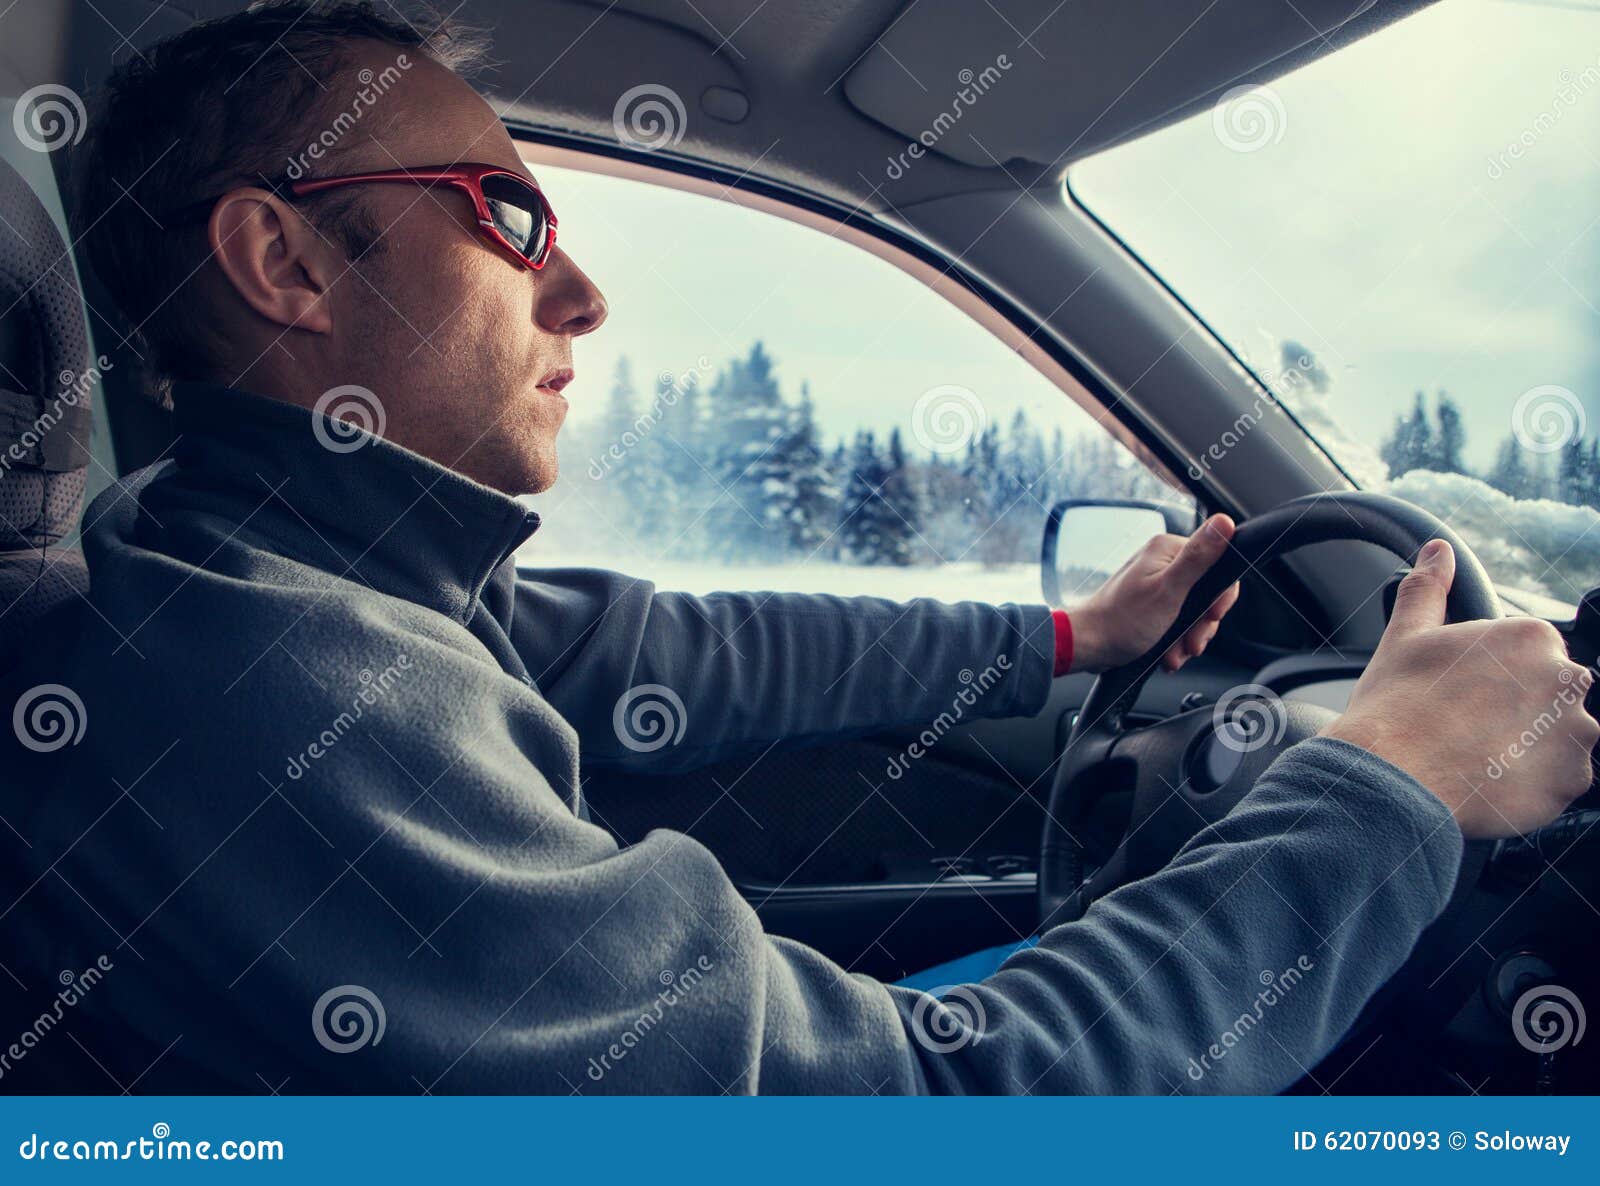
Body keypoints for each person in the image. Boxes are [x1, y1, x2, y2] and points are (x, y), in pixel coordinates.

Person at [2, 0, 1592, 1094]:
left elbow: (674, 653)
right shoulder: (275, 687)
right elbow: (904, 1117)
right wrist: (1388, 786)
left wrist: (1069, 640)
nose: (582, 293)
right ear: (282, 256)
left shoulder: (291, 560)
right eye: (510, 213)